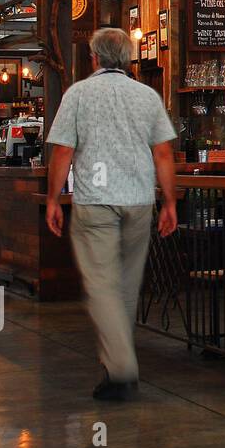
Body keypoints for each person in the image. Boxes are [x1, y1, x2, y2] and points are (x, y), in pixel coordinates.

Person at [45, 28, 178, 401]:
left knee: (102, 284)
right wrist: (169, 202)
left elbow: (62, 153)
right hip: (138, 200)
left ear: (94, 58)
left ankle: (120, 367)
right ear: (128, 59)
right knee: (126, 285)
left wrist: (54, 199)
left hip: (96, 201)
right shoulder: (146, 96)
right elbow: (163, 154)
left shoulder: (79, 94)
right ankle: (114, 366)